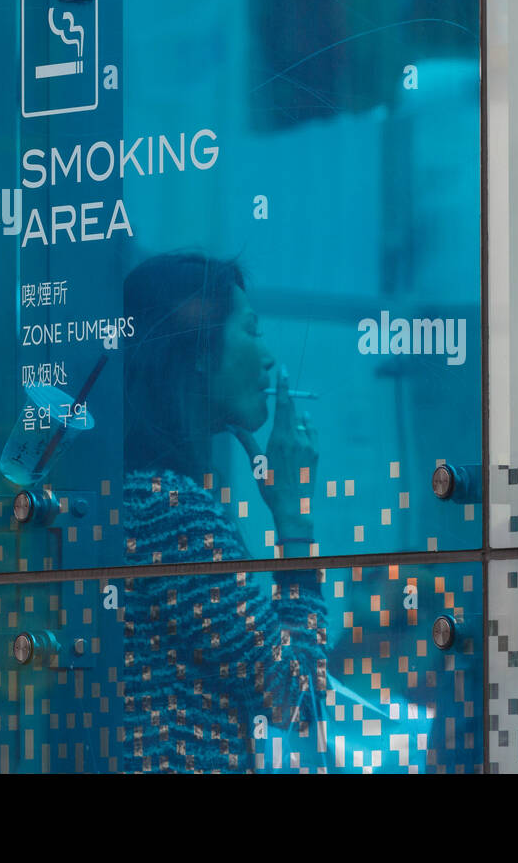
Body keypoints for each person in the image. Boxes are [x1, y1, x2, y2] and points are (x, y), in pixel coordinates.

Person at [118, 251, 328, 772]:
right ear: (198, 350)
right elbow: (297, 698)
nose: (268, 358)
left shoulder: (140, 497)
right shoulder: (171, 511)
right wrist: (294, 517)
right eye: (251, 330)